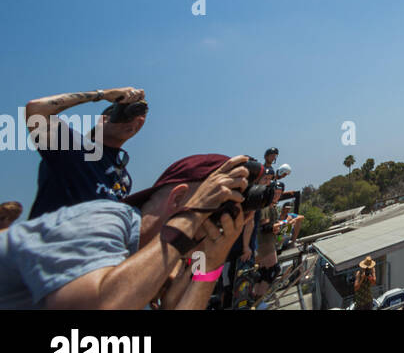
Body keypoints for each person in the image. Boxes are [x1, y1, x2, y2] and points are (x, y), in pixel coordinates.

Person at [0, 154, 251, 309]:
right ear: (179, 199)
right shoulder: (103, 220)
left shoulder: (145, 258)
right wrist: (192, 215)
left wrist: (211, 264)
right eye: (216, 211)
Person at [24, 86, 147, 218]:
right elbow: (36, 109)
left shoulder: (124, 177)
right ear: (104, 120)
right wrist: (103, 95)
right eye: (127, 114)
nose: (137, 120)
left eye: (140, 117)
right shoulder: (72, 146)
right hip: (51, 235)